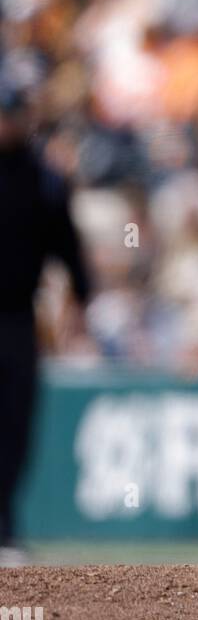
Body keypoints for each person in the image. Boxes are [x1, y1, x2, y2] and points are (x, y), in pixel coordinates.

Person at [0, 80, 90, 565]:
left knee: (14, 425)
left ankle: (4, 528)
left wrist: (80, 296)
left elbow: (66, 244)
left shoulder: (39, 177)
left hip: (16, 318)